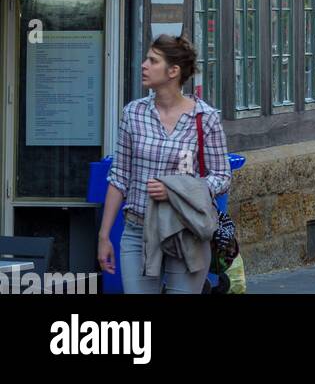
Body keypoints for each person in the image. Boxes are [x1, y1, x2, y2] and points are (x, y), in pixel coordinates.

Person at [97, 34, 231, 294]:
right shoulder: (133, 113)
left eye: (153, 60)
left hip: (186, 230)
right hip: (138, 230)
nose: (144, 65)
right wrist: (104, 236)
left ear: (173, 71)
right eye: (147, 59)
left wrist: (175, 189)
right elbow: (119, 177)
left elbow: (222, 177)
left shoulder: (205, 118)